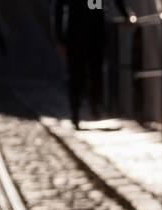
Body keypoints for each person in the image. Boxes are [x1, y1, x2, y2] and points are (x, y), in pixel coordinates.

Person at [52, 0, 127, 129]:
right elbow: (58, 8)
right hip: (83, 33)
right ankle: (84, 107)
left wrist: (59, 39)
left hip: (86, 32)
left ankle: (88, 106)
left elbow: (58, 9)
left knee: (88, 72)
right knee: (82, 73)